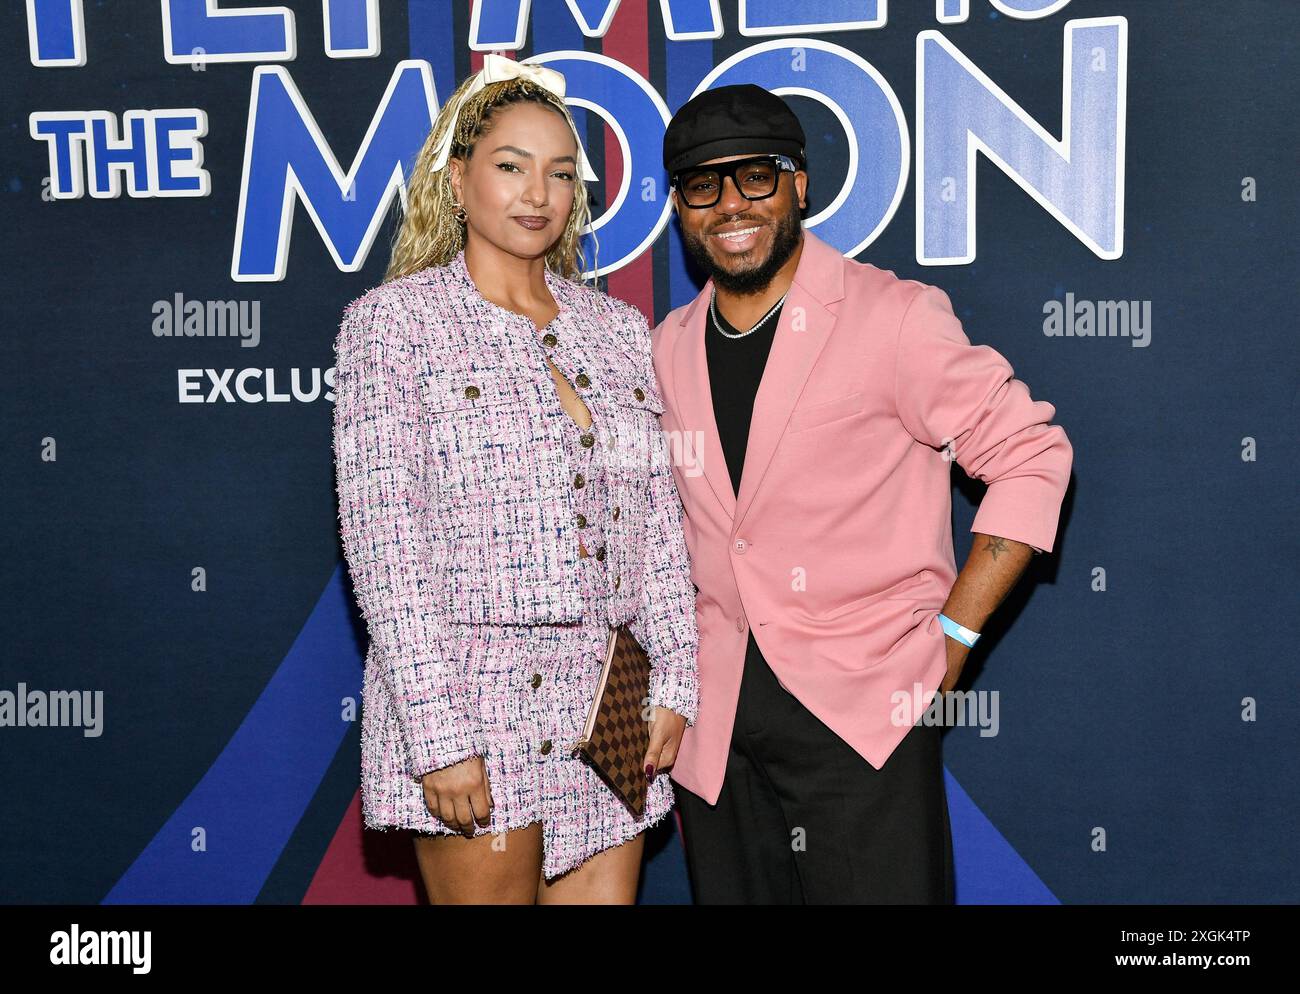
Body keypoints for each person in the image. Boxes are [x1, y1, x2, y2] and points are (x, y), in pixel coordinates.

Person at [652, 84, 1074, 903]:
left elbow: (1031, 454)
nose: (731, 203)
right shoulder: (666, 348)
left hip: (860, 715)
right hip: (714, 731)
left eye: (756, 177)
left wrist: (952, 637)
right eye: (704, 184)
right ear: (680, 206)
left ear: (799, 185)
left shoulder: (894, 316)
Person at [331, 56, 698, 904]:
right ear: (458, 179)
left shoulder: (616, 329)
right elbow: (387, 546)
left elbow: (655, 519)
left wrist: (676, 675)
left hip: (611, 692)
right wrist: (438, 730)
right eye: (510, 166)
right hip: (473, 693)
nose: (538, 192)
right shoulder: (393, 327)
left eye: (561, 173)